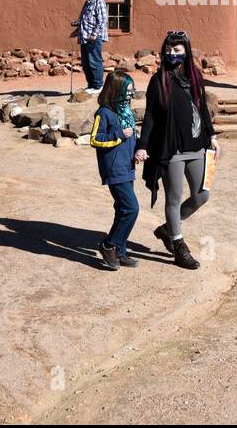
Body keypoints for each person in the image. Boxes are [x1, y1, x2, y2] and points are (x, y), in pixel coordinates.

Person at [135, 31, 220, 270]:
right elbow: (150, 115)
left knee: (202, 195)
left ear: (186, 51)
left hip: (197, 145)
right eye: (169, 50)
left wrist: (212, 136)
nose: (173, 54)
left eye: (178, 50)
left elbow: (202, 107)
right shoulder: (158, 80)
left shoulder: (194, 76)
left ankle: (166, 229)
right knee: (172, 198)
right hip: (171, 148)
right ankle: (178, 245)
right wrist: (142, 146)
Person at [89, 69, 140, 271]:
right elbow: (94, 139)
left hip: (127, 166)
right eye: (127, 91)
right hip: (114, 168)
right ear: (116, 91)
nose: (130, 95)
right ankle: (109, 245)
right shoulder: (104, 113)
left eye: (132, 91)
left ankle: (120, 251)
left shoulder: (125, 111)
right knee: (131, 208)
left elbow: (131, 137)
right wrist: (119, 134)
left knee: (122, 209)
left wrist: (138, 151)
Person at [74, 0, 108, 94]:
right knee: (86, 63)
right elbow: (85, 19)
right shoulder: (88, 2)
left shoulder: (99, 1)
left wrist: (94, 34)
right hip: (84, 37)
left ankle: (98, 85)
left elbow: (102, 20)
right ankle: (91, 85)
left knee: (94, 61)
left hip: (93, 37)